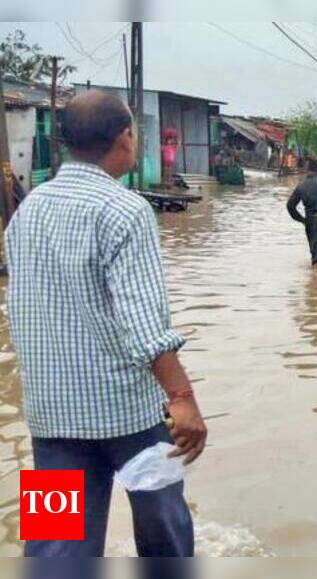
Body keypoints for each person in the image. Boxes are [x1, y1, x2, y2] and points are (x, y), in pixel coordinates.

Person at [5, 91, 206, 558]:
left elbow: (19, 306)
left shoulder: (28, 211)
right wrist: (182, 398)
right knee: (165, 536)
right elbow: (144, 322)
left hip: (52, 415)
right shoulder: (125, 210)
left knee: (54, 548)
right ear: (125, 138)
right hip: (130, 415)